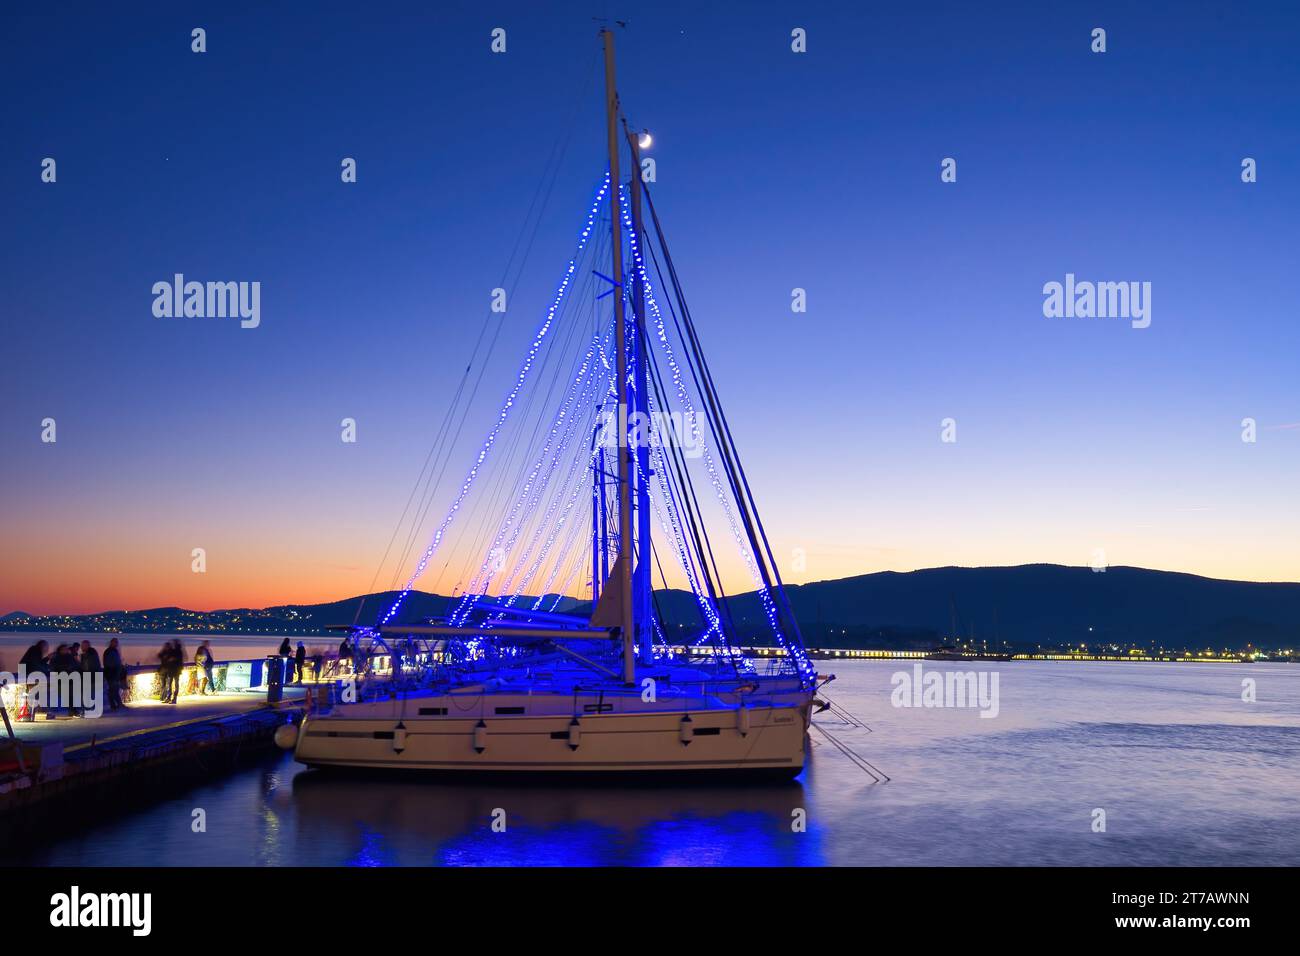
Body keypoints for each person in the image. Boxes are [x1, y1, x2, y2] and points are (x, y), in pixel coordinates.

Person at [79, 640, 102, 717]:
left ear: (87, 646)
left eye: (83, 646)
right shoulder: (92, 654)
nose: (81, 647)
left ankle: (86, 711)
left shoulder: (88, 655)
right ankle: (89, 710)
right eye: (81, 646)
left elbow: (87, 667)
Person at [103, 637, 125, 711]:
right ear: (112, 643)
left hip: (112, 674)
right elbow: (110, 664)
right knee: (113, 690)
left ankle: (116, 705)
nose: (116, 644)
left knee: (114, 690)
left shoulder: (111, 651)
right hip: (112, 674)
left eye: (117, 642)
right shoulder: (110, 651)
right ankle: (116, 705)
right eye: (115, 642)